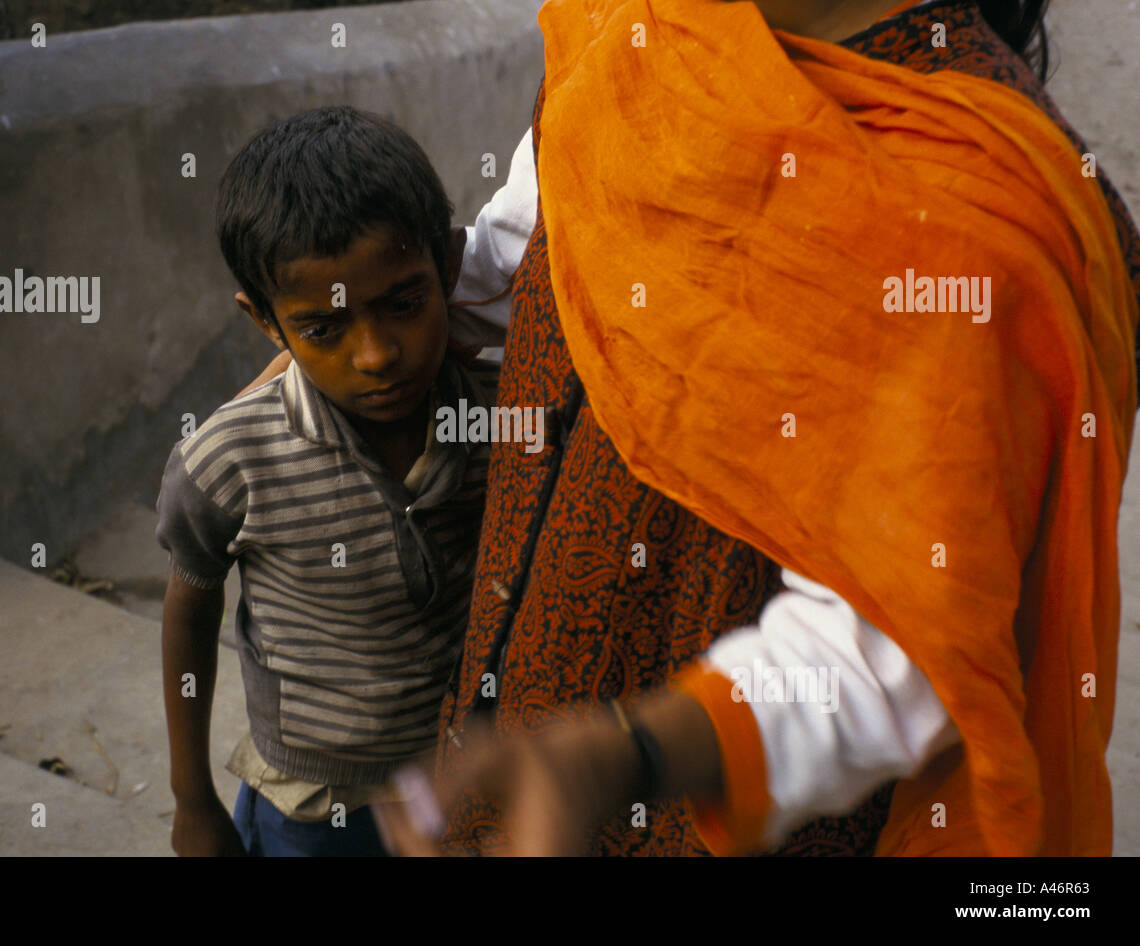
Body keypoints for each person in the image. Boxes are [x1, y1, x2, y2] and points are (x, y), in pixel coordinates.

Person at [360, 0, 1140, 856]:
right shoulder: (633, 30)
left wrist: (630, 753)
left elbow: (897, 641)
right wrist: (377, 322)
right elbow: (532, 246)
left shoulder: (965, 217)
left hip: (708, 803)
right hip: (520, 708)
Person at [155, 105, 505, 856]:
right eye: (324, 329)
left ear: (449, 266)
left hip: (465, 778)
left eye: (404, 304)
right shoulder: (230, 460)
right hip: (312, 807)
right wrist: (192, 797)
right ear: (267, 322)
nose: (377, 354)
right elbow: (189, 611)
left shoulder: (500, 417)